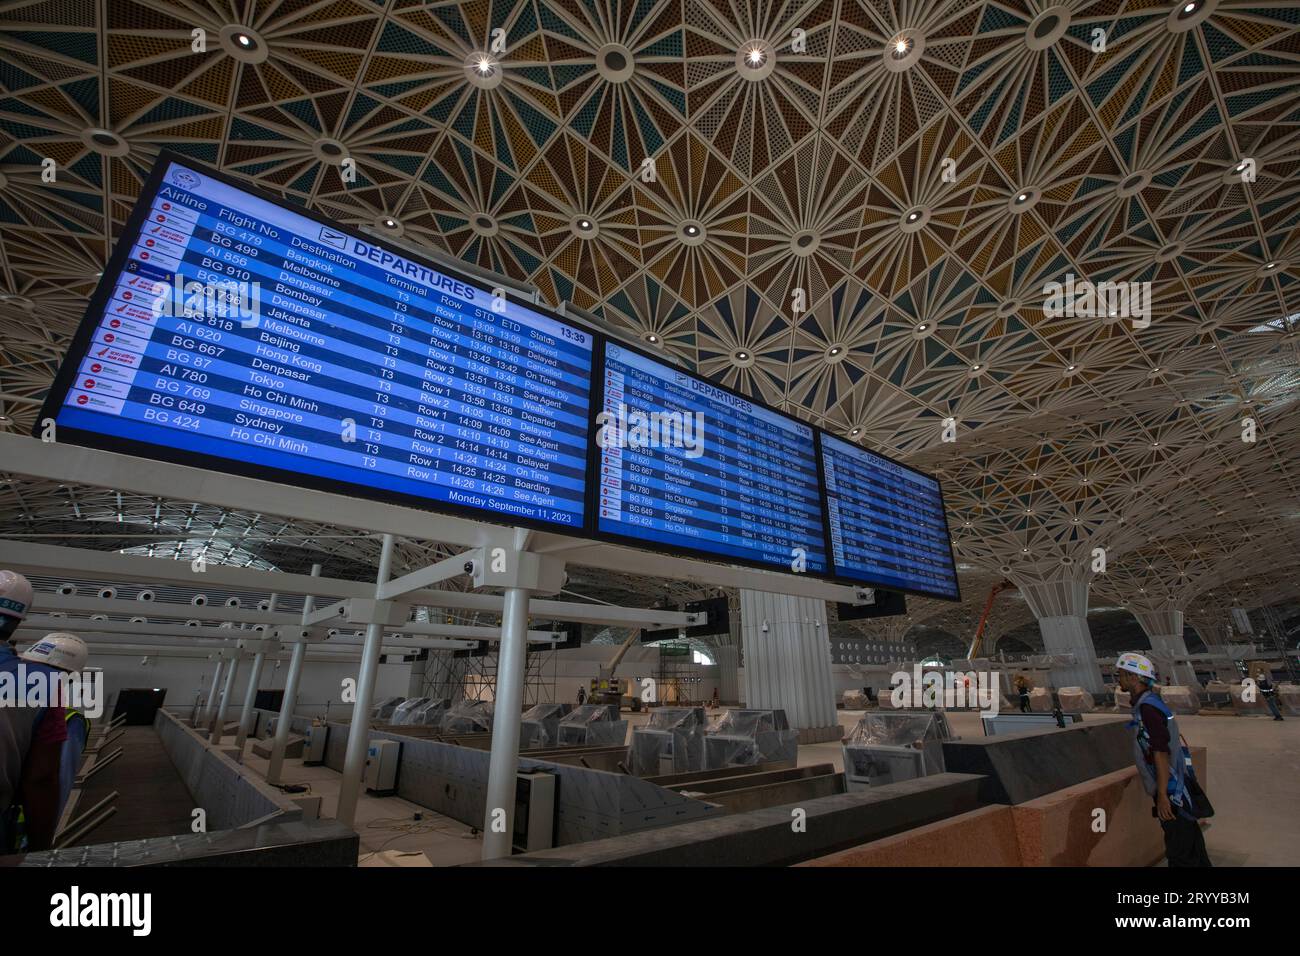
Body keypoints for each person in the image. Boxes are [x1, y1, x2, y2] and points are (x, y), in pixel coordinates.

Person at [1114, 652, 1213, 867]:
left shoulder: (1148, 709)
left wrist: (1162, 795)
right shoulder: (1148, 704)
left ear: (1134, 677)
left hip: (1171, 788)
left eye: (1120, 674)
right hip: (1173, 783)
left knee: (1179, 850)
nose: (1118, 680)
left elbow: (1160, 752)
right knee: (1189, 840)